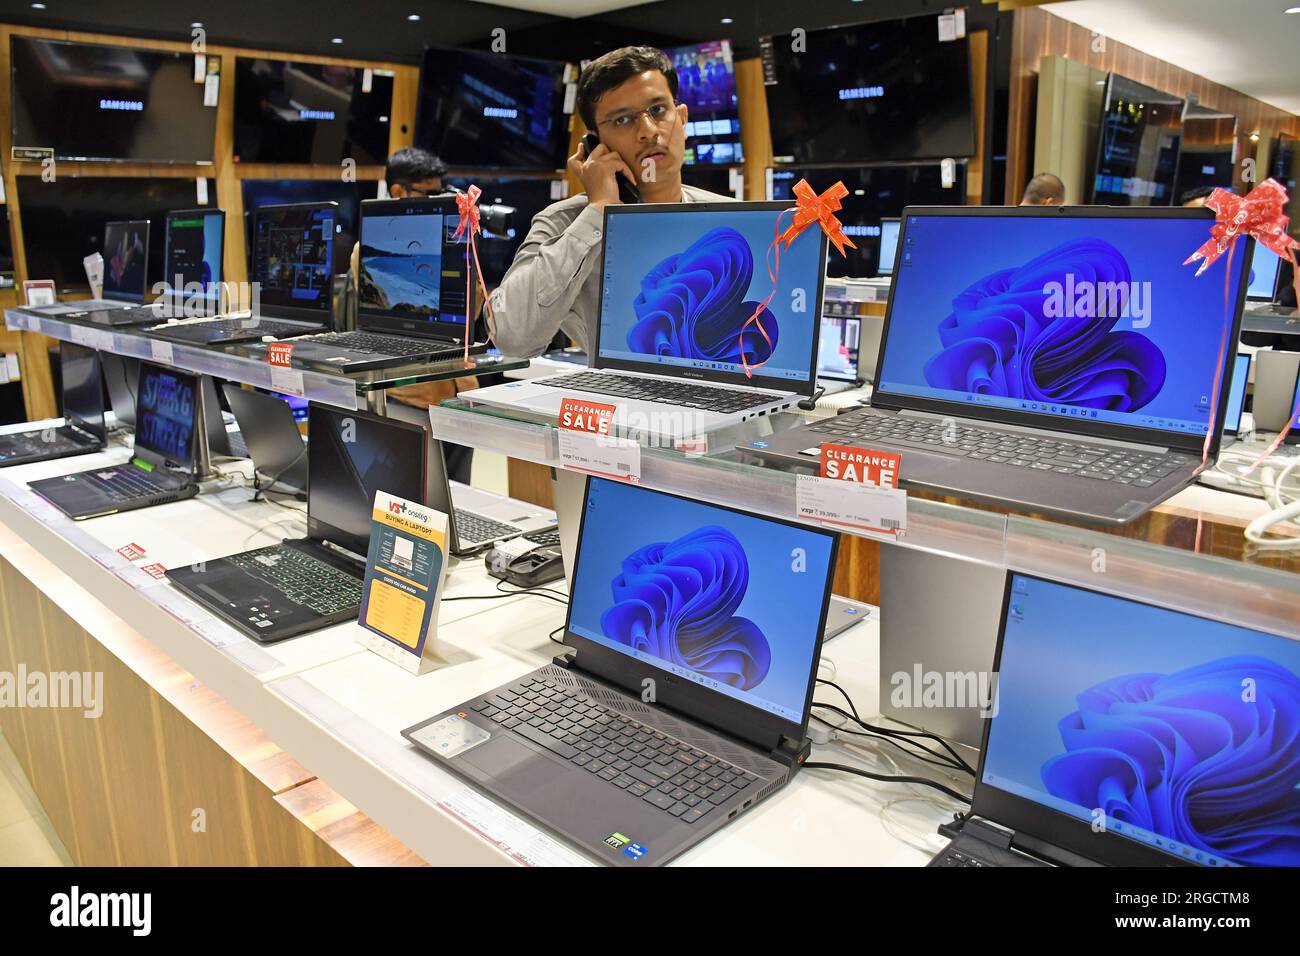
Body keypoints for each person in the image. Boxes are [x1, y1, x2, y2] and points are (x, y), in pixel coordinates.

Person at [488, 46, 734, 359]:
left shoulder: (729, 214)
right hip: (621, 402)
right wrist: (598, 210)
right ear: (595, 146)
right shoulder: (565, 223)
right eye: (623, 120)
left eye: (658, 110)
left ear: (681, 118)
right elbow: (511, 338)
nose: (647, 132)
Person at [353, 147, 476, 483]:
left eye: (441, 192)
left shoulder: (451, 239)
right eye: (429, 193)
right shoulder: (364, 251)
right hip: (408, 396)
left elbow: (473, 313)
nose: (438, 200)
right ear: (397, 192)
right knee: (417, 498)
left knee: (459, 500)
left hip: (459, 391)